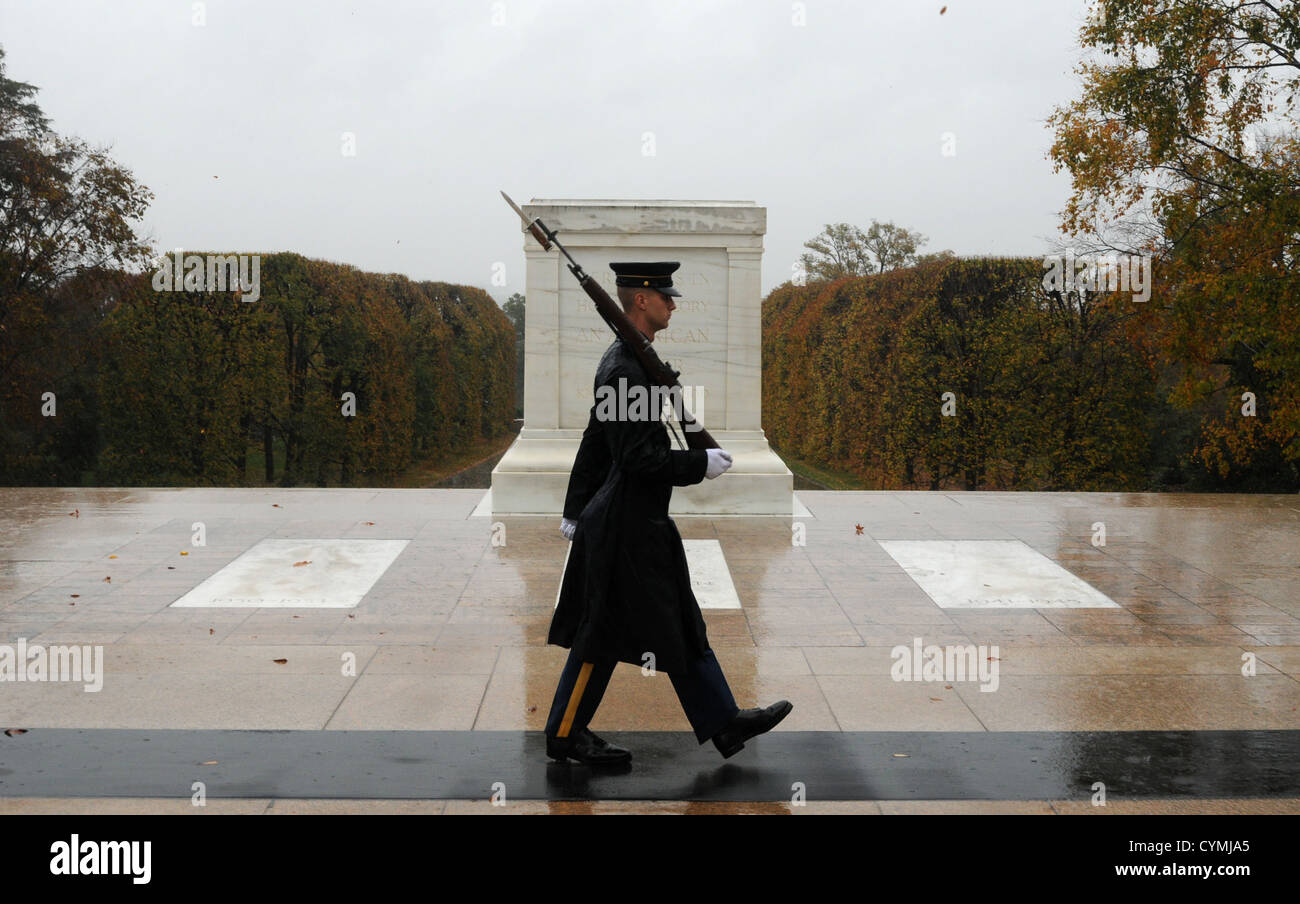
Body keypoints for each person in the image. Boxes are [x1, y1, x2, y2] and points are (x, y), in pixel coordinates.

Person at [543, 260, 792, 765]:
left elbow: (596, 441)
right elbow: (636, 458)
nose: (673, 304)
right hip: (624, 527)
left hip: (640, 521)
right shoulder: (624, 369)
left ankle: (724, 722)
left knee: (679, 620)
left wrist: (575, 506)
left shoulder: (634, 360)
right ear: (640, 300)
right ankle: (564, 733)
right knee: (599, 633)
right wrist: (698, 462)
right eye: (665, 297)